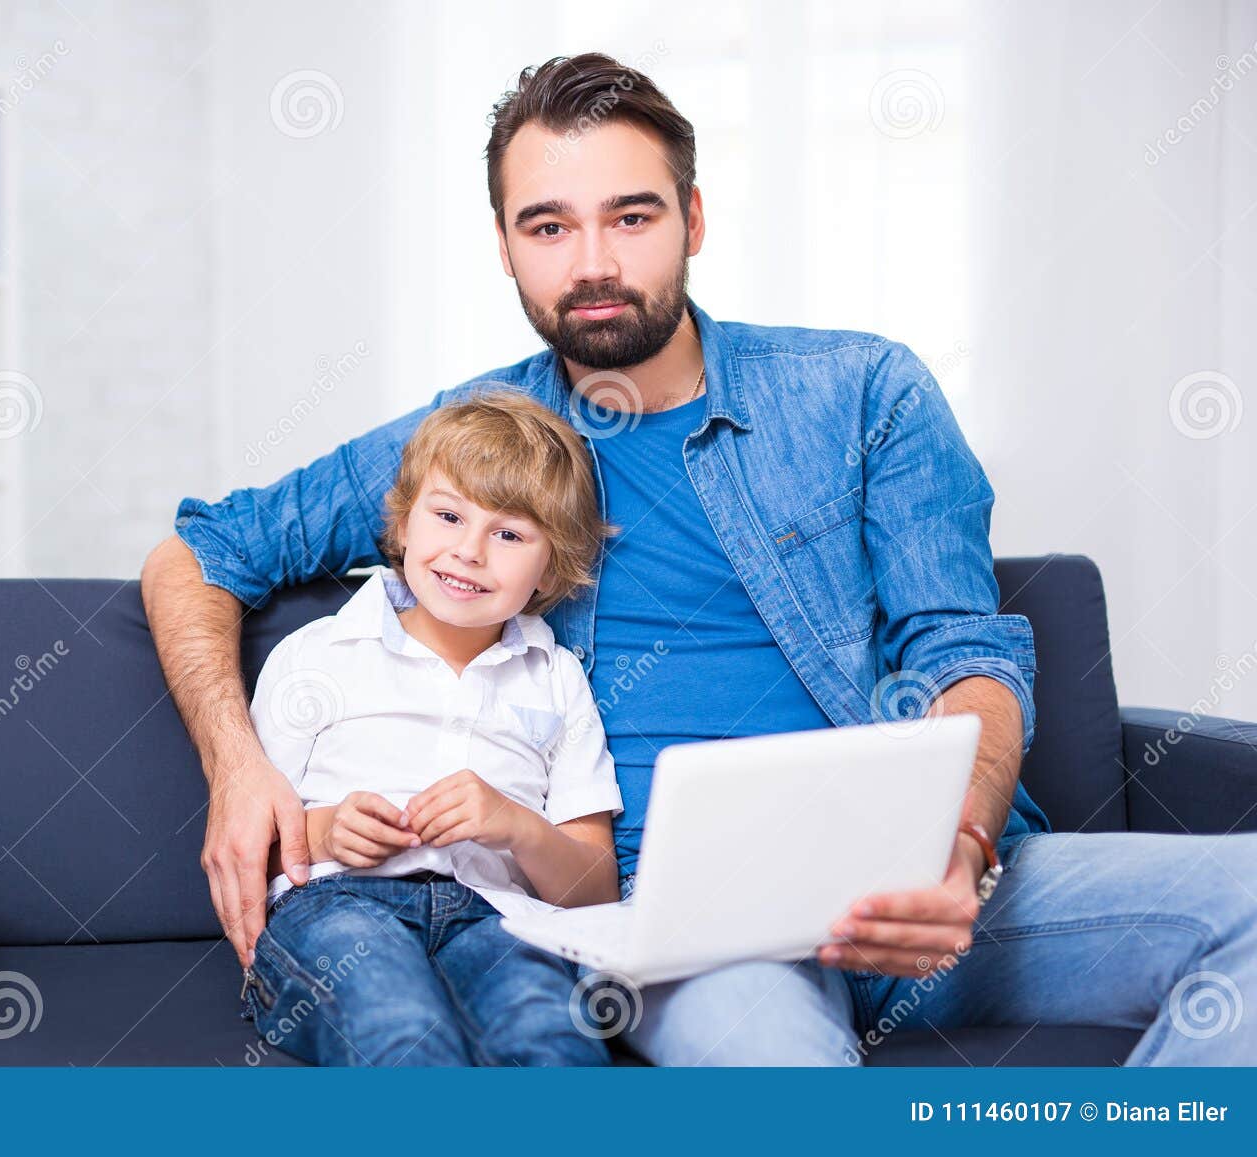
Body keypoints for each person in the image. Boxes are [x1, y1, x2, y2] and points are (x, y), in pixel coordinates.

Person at [144, 52, 1257, 1065]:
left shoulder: (862, 391)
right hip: (684, 922)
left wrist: (960, 844)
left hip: (932, 874)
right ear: (503, 246)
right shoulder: (475, 443)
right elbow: (200, 553)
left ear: (693, 217)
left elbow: (963, 647)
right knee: (778, 1068)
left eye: (630, 216)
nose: (593, 263)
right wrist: (240, 766)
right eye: (547, 226)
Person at [238, 391, 622, 1065]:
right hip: (336, 905)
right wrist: (327, 831)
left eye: (509, 535)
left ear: (551, 565)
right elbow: (248, 843)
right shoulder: (315, 654)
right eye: (448, 516)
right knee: (399, 1026)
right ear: (404, 523)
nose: (469, 551)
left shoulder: (557, 677)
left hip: (497, 915)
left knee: (548, 1033)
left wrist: (516, 825)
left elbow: (594, 889)